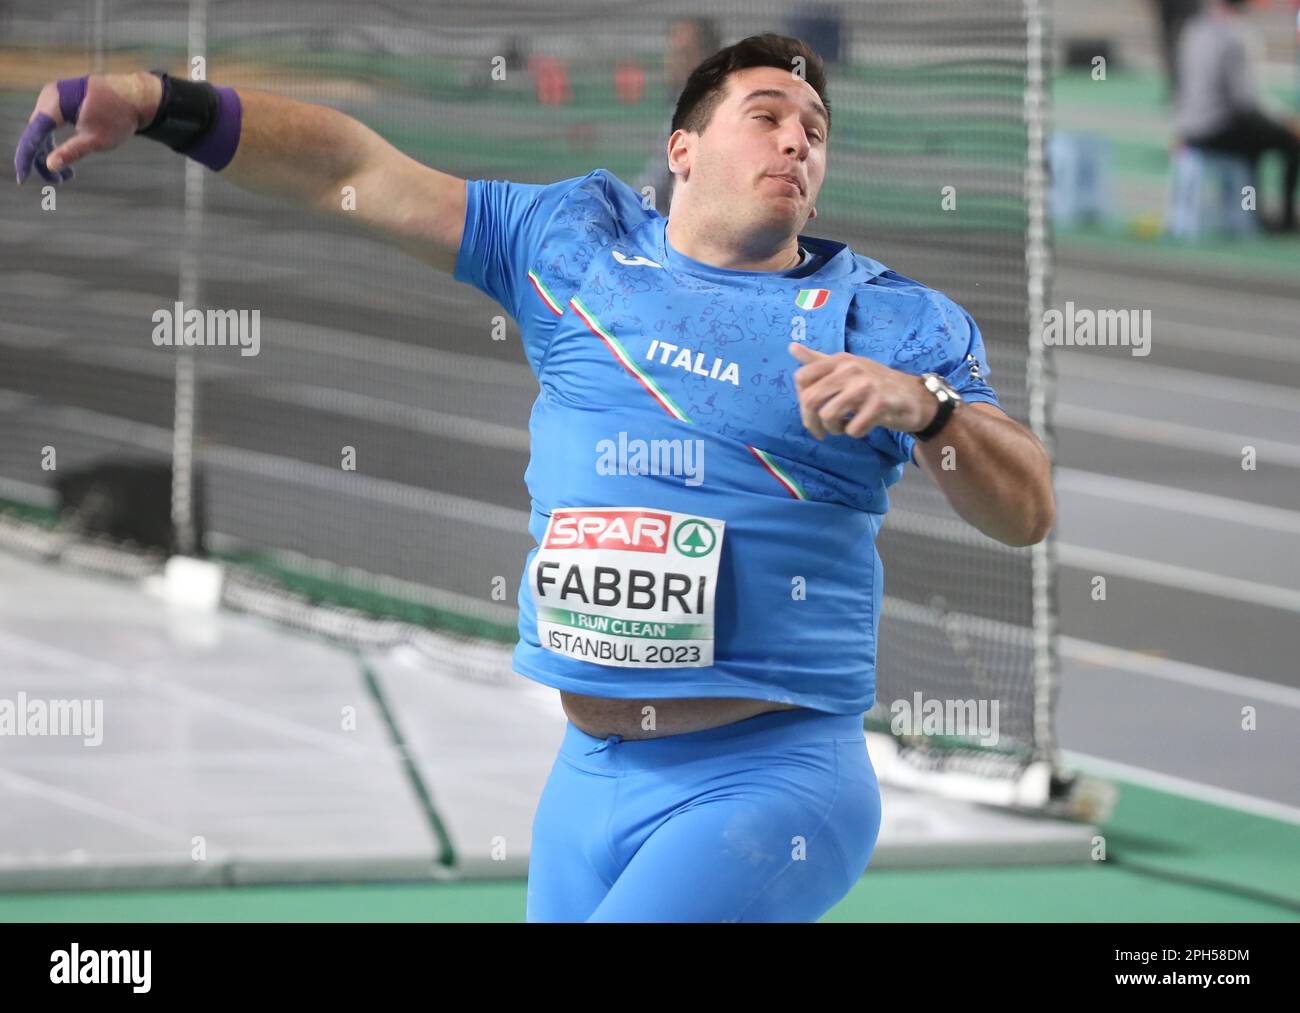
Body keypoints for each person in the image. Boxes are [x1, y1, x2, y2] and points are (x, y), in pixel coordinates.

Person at [14, 33, 1054, 922]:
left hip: (770, 779)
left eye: (815, 129)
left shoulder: (891, 321)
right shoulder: (574, 246)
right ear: (681, 148)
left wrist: (932, 409)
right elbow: (356, 168)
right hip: (585, 779)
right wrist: (157, 102)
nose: (796, 139)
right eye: (767, 114)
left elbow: (1024, 510)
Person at [1174, 0, 1300, 231]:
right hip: (1217, 128)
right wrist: (1286, 120)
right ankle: (1286, 219)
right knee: (1291, 144)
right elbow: (1244, 102)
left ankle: (1250, 212)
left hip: (1189, 128)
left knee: (1254, 143)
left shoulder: (1193, 28)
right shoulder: (1235, 35)